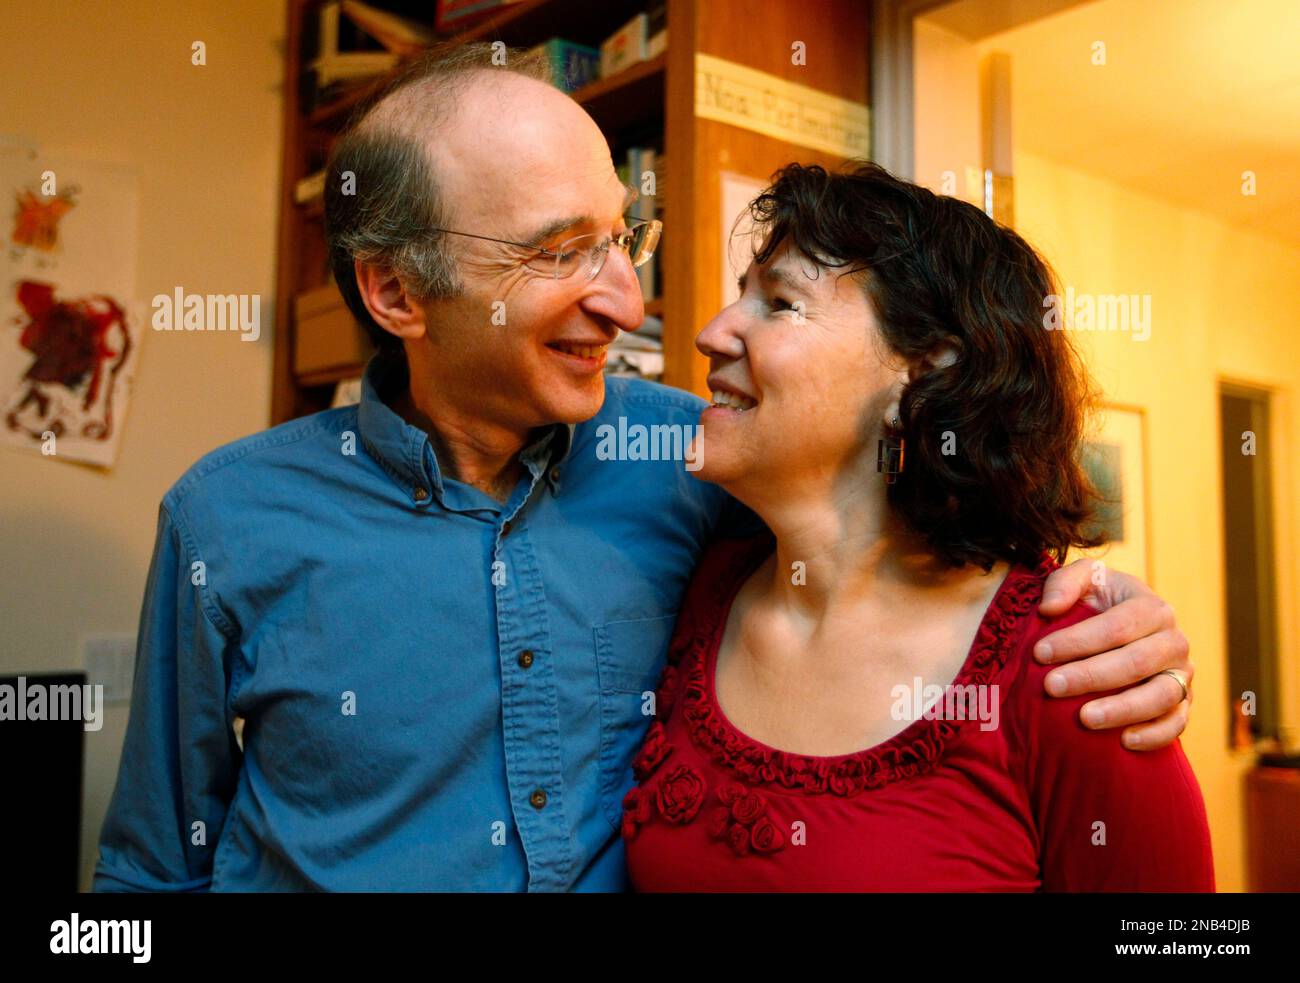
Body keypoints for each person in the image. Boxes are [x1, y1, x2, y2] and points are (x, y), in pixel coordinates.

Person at [94, 45, 1194, 892]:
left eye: (626, 238)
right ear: (394, 293)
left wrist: (1120, 608)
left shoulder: (700, 463)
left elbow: (909, 544)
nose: (628, 301)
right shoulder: (227, 517)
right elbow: (149, 872)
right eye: (558, 252)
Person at [623, 162, 1213, 891]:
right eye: (740, 295)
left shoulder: (1076, 669)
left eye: (779, 303)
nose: (712, 333)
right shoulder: (695, 575)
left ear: (923, 369)